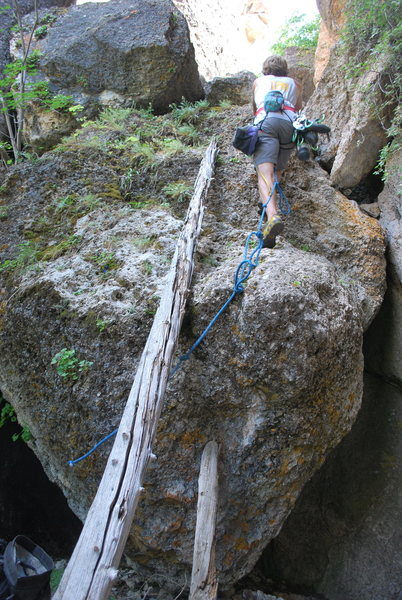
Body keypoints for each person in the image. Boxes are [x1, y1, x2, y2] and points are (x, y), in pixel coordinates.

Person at [252, 55, 302, 248]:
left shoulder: (258, 82)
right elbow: (298, 108)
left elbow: (255, 108)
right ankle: (270, 203)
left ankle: (272, 216)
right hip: (289, 125)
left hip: (266, 122)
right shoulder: (294, 83)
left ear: (265, 68)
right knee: (277, 171)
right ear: (285, 69)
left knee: (265, 173)